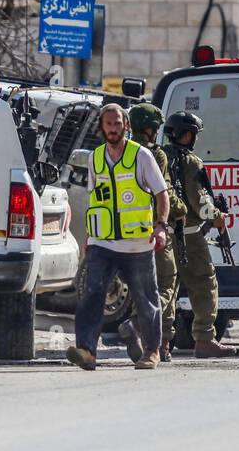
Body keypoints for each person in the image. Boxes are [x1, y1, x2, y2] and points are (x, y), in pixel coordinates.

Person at [69, 104, 170, 371]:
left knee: (146, 297)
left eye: (117, 123)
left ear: (126, 125)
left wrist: (161, 226)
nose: (113, 128)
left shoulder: (142, 156)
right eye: (108, 124)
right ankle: (87, 351)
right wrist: (89, 239)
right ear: (102, 127)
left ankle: (151, 350)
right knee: (92, 294)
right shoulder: (96, 158)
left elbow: (162, 194)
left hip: (137, 243)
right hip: (103, 243)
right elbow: (96, 200)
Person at [164, 110, 236, 358]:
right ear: (186, 135)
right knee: (205, 283)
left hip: (163, 235)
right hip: (190, 236)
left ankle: (162, 343)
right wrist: (218, 218)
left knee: (167, 288)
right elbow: (201, 204)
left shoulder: (159, 157)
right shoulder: (192, 162)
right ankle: (205, 339)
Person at [130, 102, 184, 363]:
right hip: (155, 229)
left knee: (140, 286)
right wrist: (181, 210)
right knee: (166, 284)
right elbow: (165, 192)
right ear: (149, 129)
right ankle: (142, 327)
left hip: (127, 231)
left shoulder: (120, 152)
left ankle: (149, 344)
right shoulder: (155, 154)